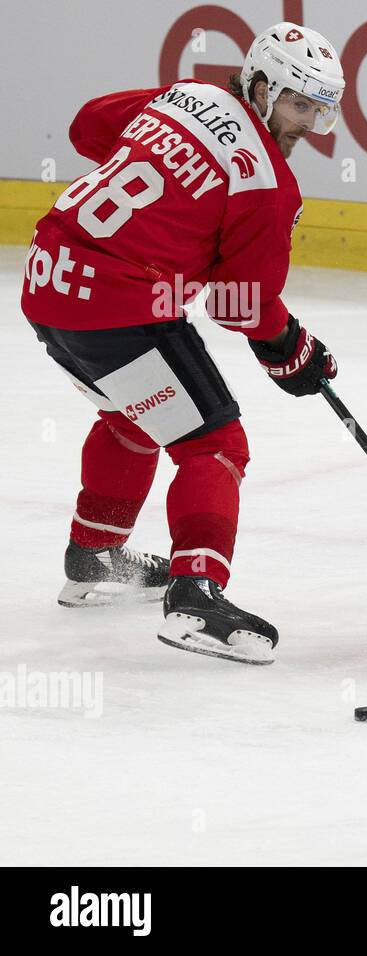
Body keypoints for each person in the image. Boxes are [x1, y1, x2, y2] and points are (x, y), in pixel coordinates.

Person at [21, 22, 343, 665]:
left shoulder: (187, 97)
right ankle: (195, 596)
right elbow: (239, 302)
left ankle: (95, 556)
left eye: (317, 108)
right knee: (215, 446)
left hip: (46, 279)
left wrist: (166, 176)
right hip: (118, 304)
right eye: (295, 102)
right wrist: (291, 348)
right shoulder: (269, 184)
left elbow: (88, 126)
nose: (305, 123)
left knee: (134, 415)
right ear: (259, 84)